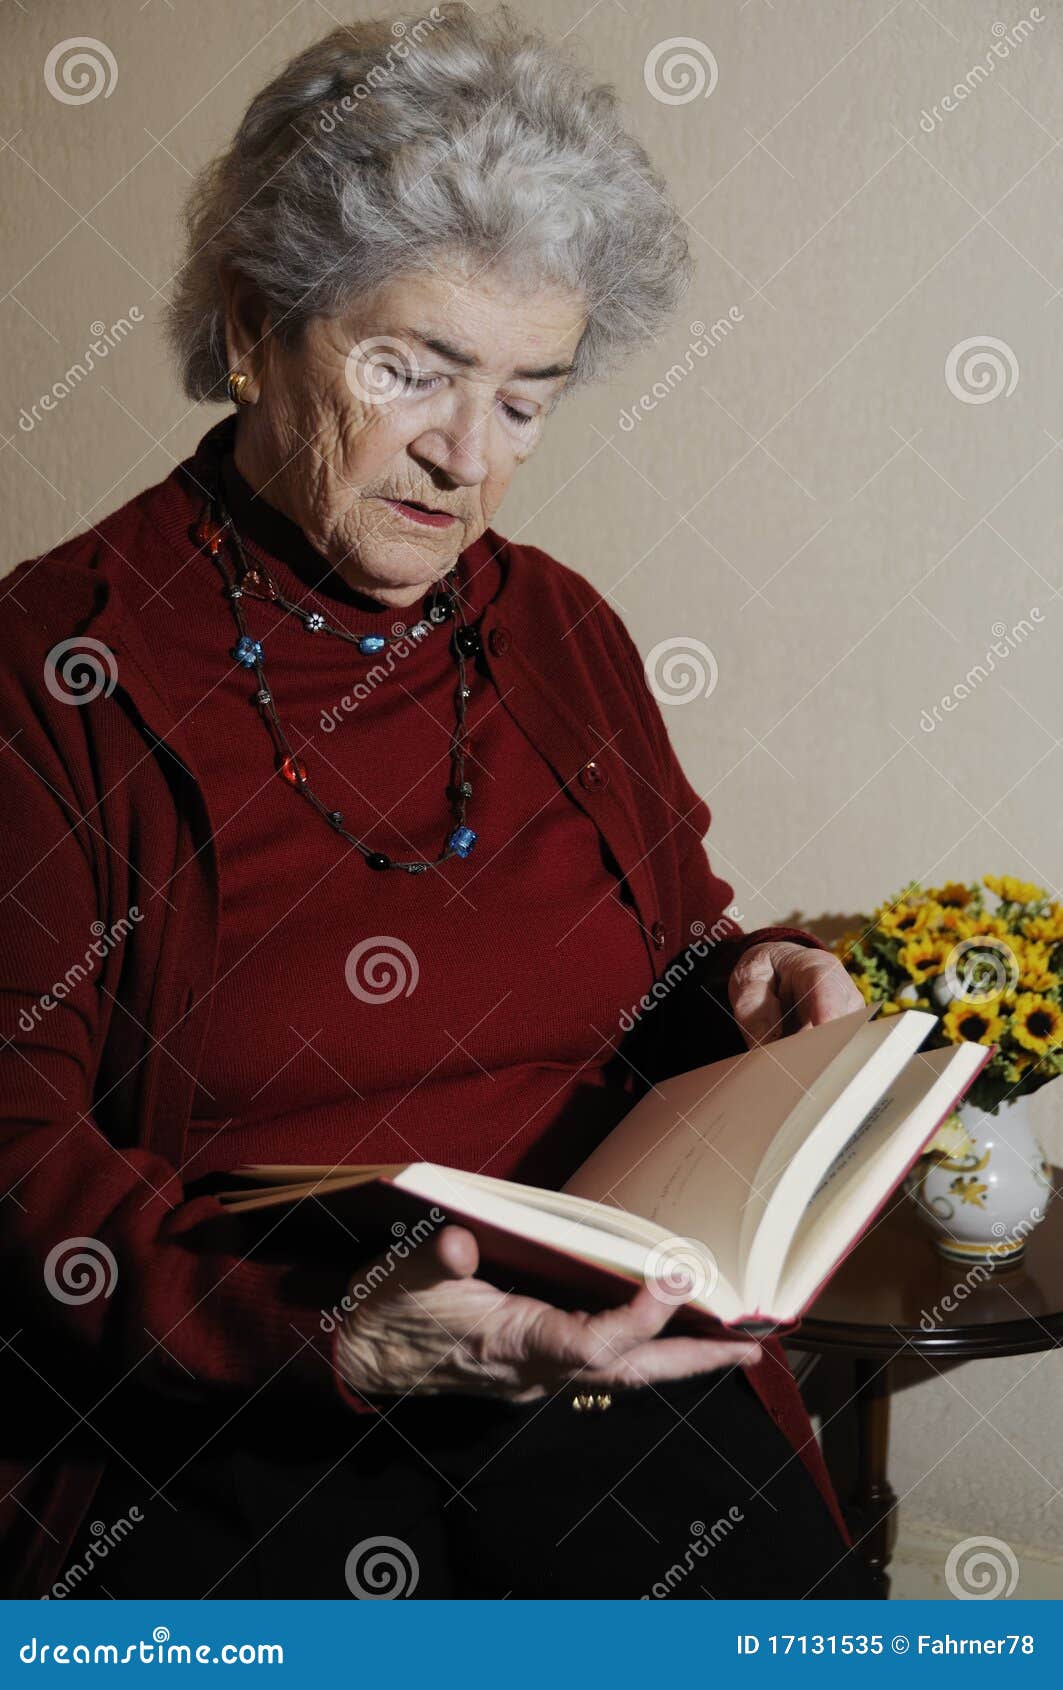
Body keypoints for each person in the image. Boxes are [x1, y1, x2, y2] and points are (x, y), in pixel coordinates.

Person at [0, 4, 873, 1599]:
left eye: (528, 397)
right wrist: (336, 1338)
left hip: (599, 1370)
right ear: (259, 324)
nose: (467, 458)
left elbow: (664, 961)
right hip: (241, 1405)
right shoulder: (53, 673)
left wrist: (743, 990)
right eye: (412, 369)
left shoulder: (557, 628)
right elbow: (13, 1151)